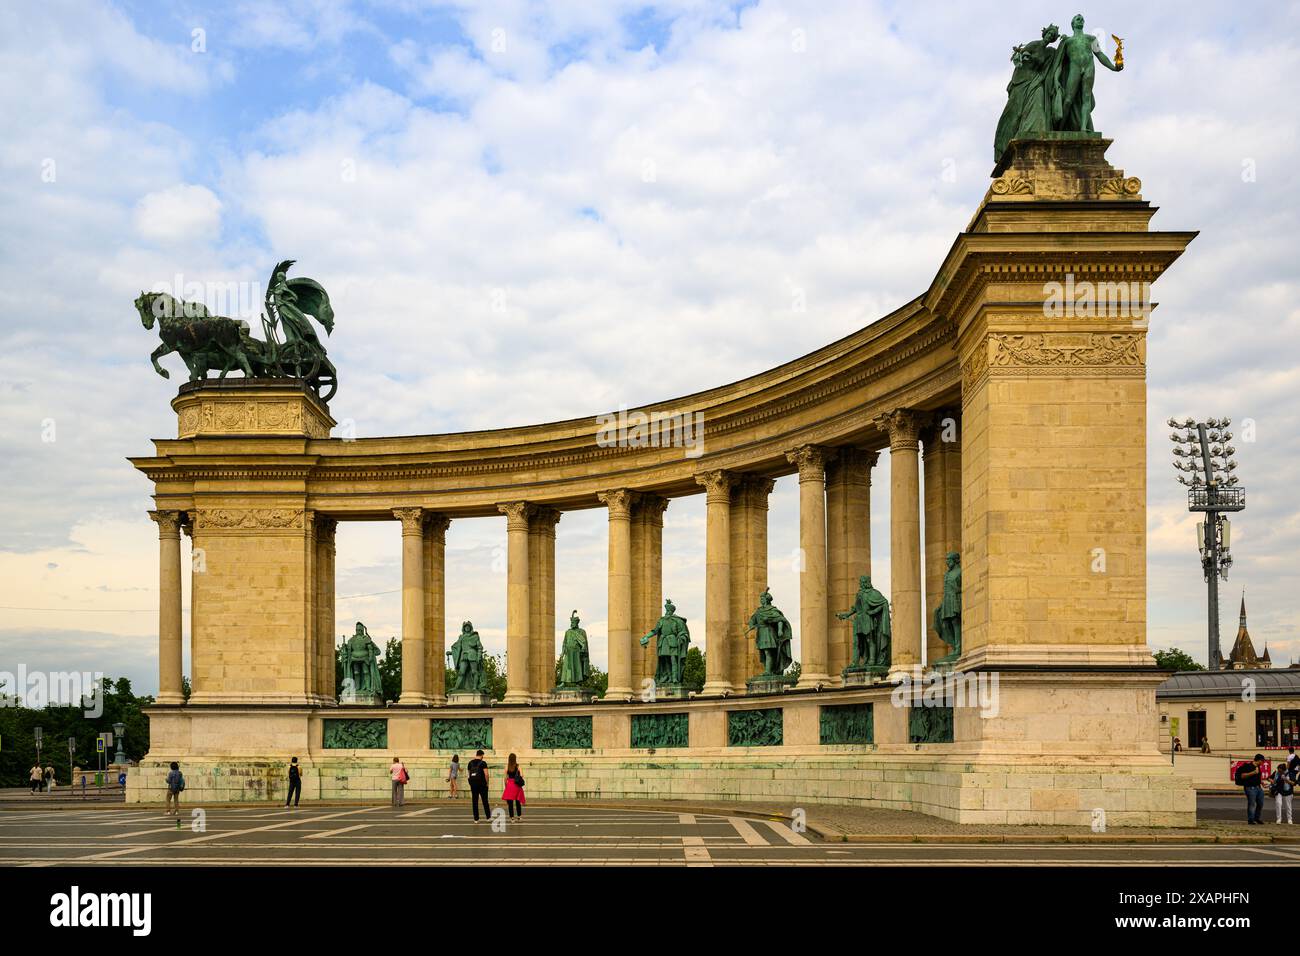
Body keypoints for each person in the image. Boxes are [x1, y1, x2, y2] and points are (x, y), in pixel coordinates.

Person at [1236, 754, 1265, 825]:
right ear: (1259, 760)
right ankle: (1251, 820)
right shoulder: (1248, 766)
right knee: (1252, 804)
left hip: (1258, 787)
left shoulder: (1258, 766)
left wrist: (1261, 782)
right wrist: (1253, 772)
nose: (1263, 763)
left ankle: (1257, 818)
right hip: (1250, 788)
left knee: (1260, 803)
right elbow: (1242, 776)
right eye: (1262, 761)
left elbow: (1256, 776)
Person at [467, 750, 490, 822]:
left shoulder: (470, 763)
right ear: (482, 755)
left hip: (473, 784)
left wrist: (470, 783)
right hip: (482, 784)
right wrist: (487, 783)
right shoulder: (483, 763)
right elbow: (486, 774)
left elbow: (468, 775)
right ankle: (488, 817)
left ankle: (476, 819)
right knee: (485, 801)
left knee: (475, 801)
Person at [502, 753, 526, 821]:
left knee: (510, 802)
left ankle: (512, 818)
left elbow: (505, 778)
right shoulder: (518, 766)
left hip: (510, 785)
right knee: (517, 801)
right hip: (516, 785)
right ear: (515, 759)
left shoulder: (507, 766)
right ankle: (519, 816)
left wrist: (506, 786)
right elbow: (522, 775)